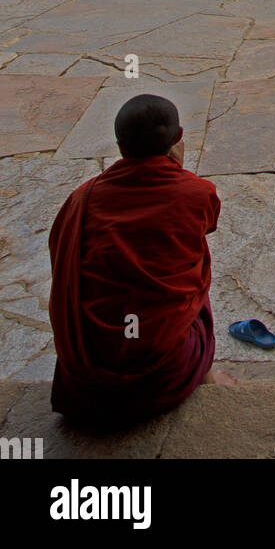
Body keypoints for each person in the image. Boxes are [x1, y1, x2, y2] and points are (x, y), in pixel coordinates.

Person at [49, 94, 225, 429]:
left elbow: (62, 257)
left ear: (119, 146)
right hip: (161, 375)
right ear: (179, 138)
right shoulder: (197, 193)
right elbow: (205, 225)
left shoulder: (82, 198)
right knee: (193, 276)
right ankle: (205, 375)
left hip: (86, 379)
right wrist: (175, 168)